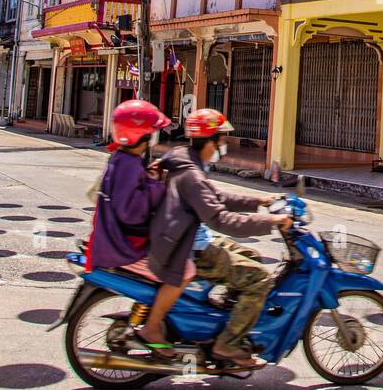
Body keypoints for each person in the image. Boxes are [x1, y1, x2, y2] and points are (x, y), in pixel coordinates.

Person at [143, 108, 291, 368]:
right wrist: (271, 221)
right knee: (259, 277)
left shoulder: (185, 158)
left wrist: (259, 201)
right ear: (210, 141)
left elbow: (215, 198)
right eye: (221, 139)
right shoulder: (193, 174)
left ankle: (223, 315)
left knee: (251, 256)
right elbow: (222, 219)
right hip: (191, 247)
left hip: (188, 237)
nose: (223, 145)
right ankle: (228, 344)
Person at [83, 98, 171, 282]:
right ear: (142, 136)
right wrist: (156, 186)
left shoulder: (122, 159)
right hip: (125, 248)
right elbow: (131, 211)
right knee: (179, 272)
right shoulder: (129, 164)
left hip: (113, 240)